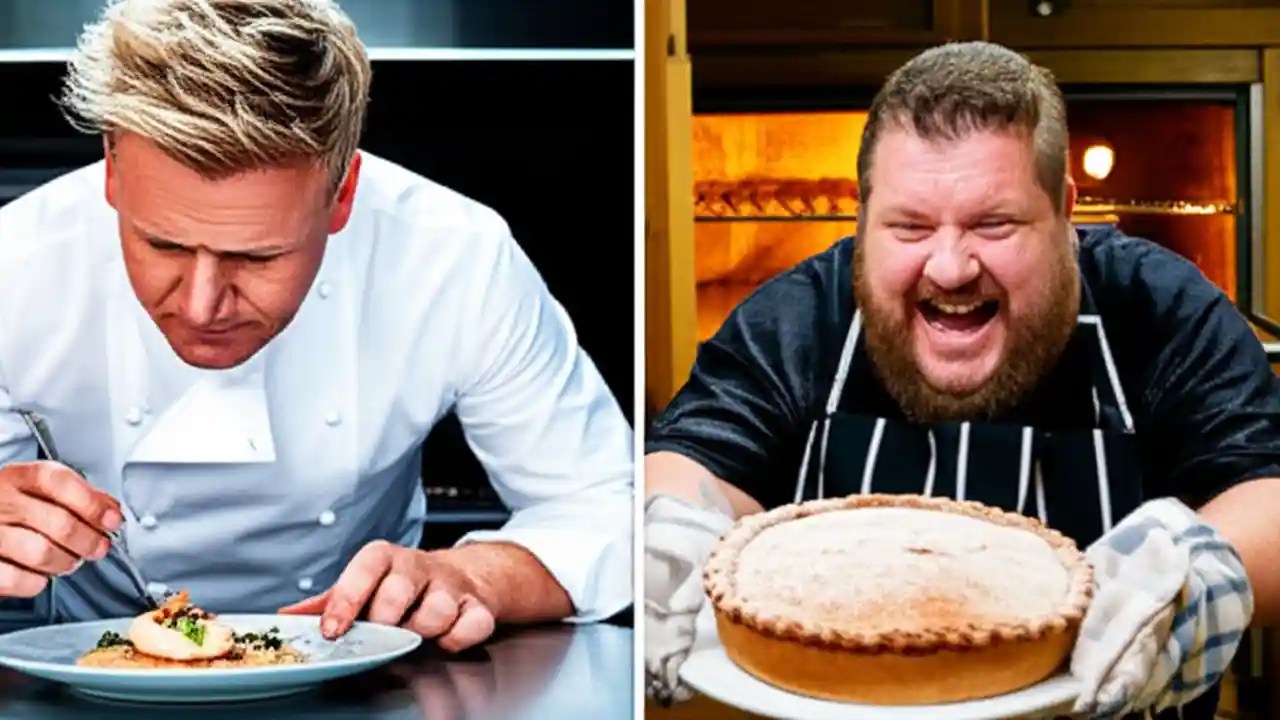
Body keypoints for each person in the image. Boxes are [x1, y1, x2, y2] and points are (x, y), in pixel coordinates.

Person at [644, 41, 1276, 719]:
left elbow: (1266, 491)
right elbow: (695, 463)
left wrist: (1196, 568)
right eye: (909, 226)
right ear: (863, 216)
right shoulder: (803, 314)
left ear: (1064, 210)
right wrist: (670, 525)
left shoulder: (1156, 305)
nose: (949, 268)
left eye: (994, 223)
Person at [0, 0, 633, 652]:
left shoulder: (455, 256)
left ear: (343, 192)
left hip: (372, 674)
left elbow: (608, 507)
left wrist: (472, 576)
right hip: (87, 674)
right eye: (162, 245)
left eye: (258, 255)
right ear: (111, 167)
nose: (201, 305)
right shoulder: (15, 265)